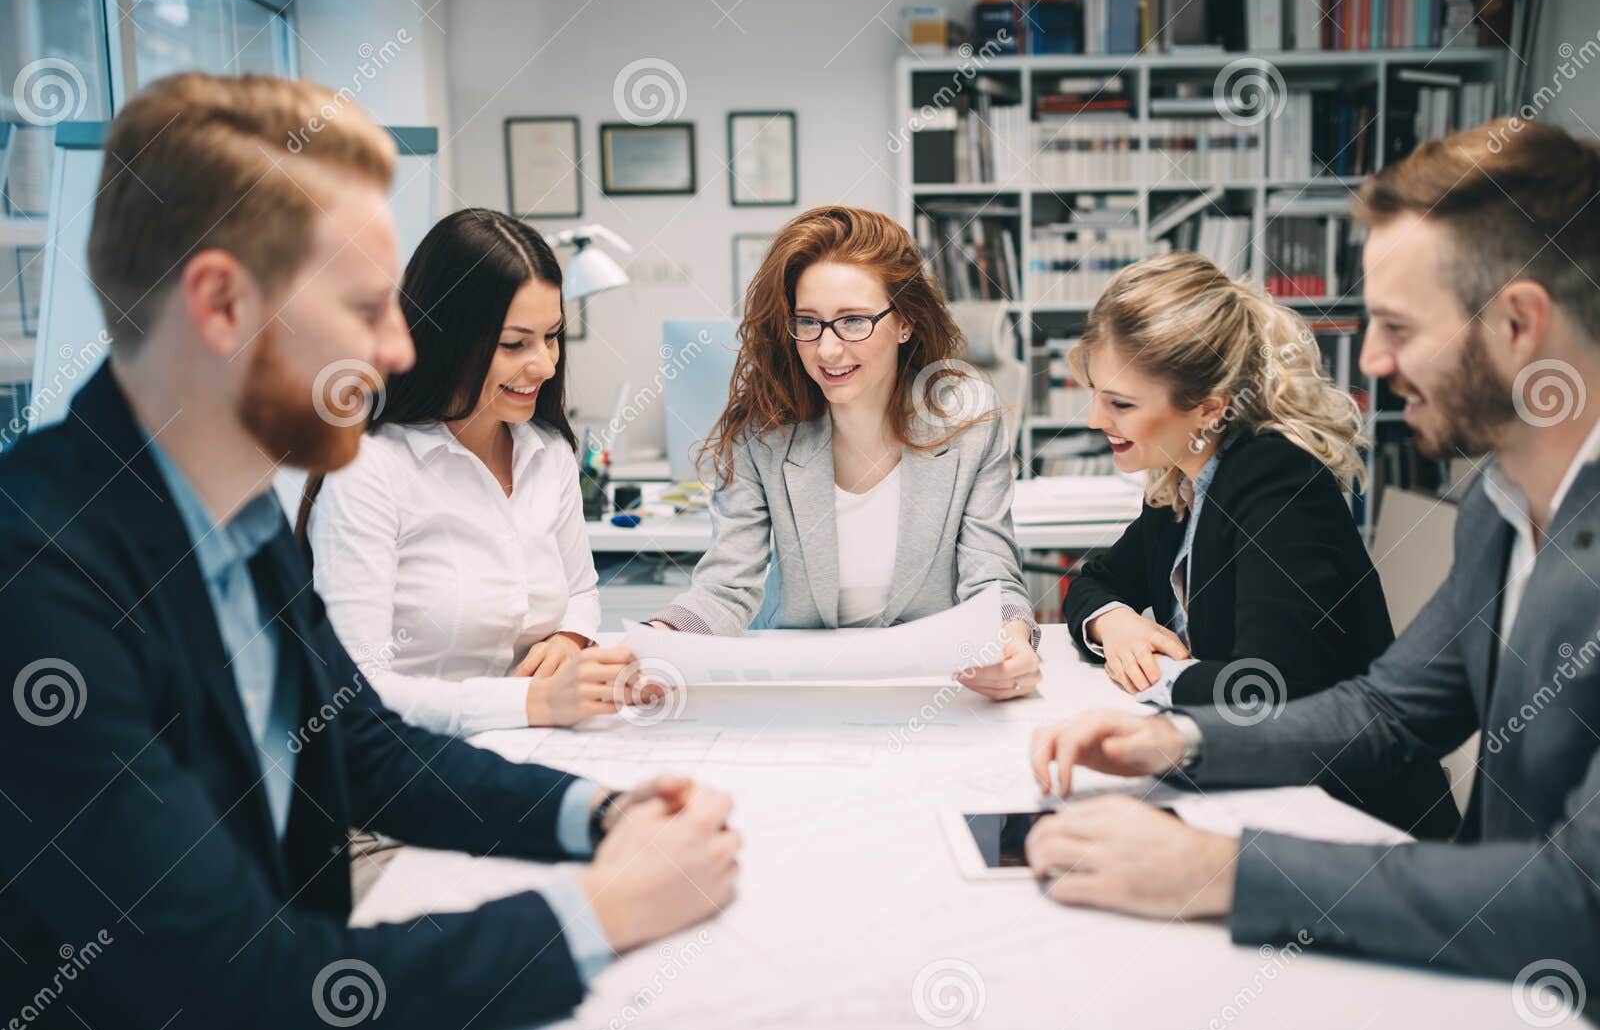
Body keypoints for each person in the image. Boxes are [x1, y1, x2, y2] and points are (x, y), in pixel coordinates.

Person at [0, 73, 739, 1030]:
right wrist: (605, 907)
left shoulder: (232, 514)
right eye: (365, 308)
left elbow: (361, 745)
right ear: (220, 304)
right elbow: (247, 983)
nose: (398, 349)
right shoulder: (39, 575)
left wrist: (600, 813)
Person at [1025, 118, 1600, 996]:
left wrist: (1216, 871)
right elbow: (1386, 711)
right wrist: (1173, 738)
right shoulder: (1499, 504)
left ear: (1519, 323)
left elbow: (1577, 901)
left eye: (1398, 326)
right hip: (1484, 973)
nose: (1371, 359)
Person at [652, 205, 1041, 701]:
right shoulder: (764, 432)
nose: (828, 350)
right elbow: (726, 587)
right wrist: (661, 639)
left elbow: (992, 577)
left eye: (854, 321)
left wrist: (1011, 639)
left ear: (905, 322)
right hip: (801, 684)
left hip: (932, 685)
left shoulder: (968, 421)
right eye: (808, 322)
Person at [299, 208, 638, 736]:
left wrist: (569, 639)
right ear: (446, 338)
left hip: (540, 746)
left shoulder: (548, 453)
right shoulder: (368, 472)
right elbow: (354, 690)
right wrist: (533, 702)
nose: (546, 365)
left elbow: (581, 592)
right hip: (417, 760)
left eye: (552, 336)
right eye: (514, 344)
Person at [1061, 252, 1395, 722]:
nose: (1095, 420)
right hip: (1235, 751)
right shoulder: (1179, 481)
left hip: (1332, 764)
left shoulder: (1276, 480)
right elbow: (1093, 581)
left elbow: (1265, 686)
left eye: (1121, 404)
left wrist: (1156, 676)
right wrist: (1113, 623)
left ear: (1209, 408)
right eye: (1095, 394)